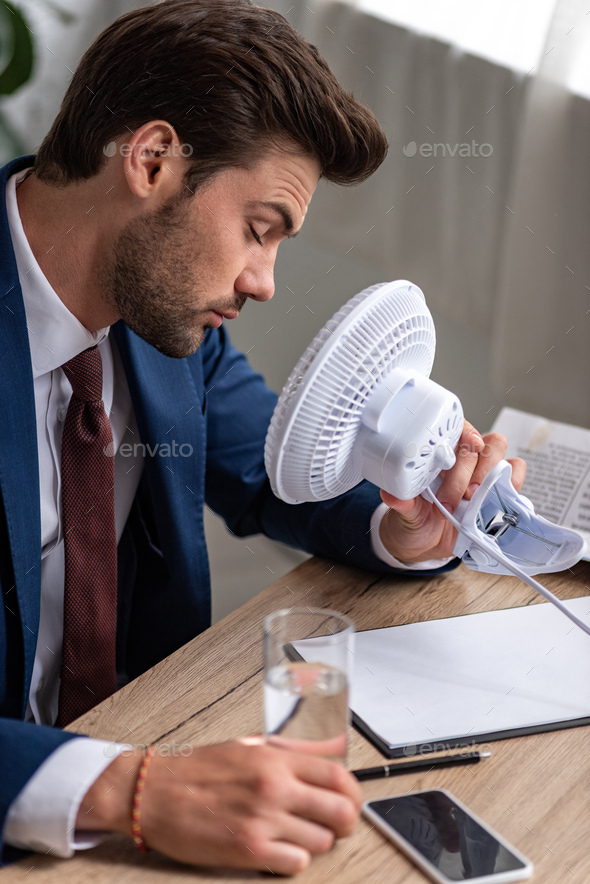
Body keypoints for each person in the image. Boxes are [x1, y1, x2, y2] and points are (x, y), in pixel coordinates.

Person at [0, 0, 525, 874]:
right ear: (153, 160)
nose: (263, 281)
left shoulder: (161, 328)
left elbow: (279, 470)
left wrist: (404, 522)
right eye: (259, 229)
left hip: (164, 779)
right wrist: (122, 790)